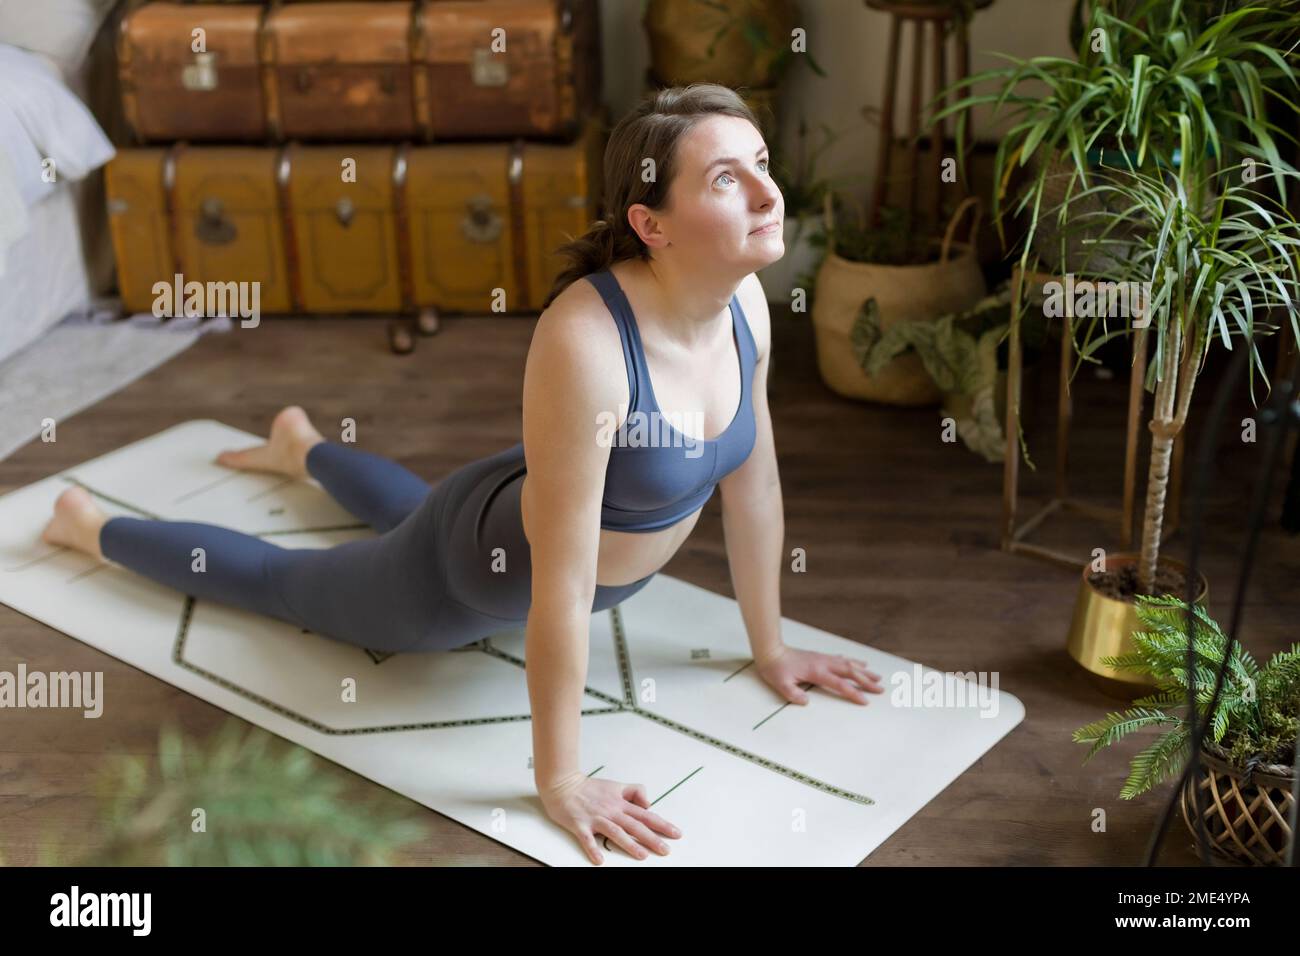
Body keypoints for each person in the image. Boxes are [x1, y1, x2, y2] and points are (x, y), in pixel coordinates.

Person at [39, 83, 885, 865]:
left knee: (415, 507)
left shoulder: (745, 305)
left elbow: (755, 485)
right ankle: (85, 526)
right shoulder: (588, 340)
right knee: (288, 581)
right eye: (727, 179)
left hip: (537, 507)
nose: (771, 196)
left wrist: (769, 647)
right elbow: (560, 581)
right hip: (468, 578)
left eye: (763, 167)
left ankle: (300, 446)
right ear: (652, 224)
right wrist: (560, 779)